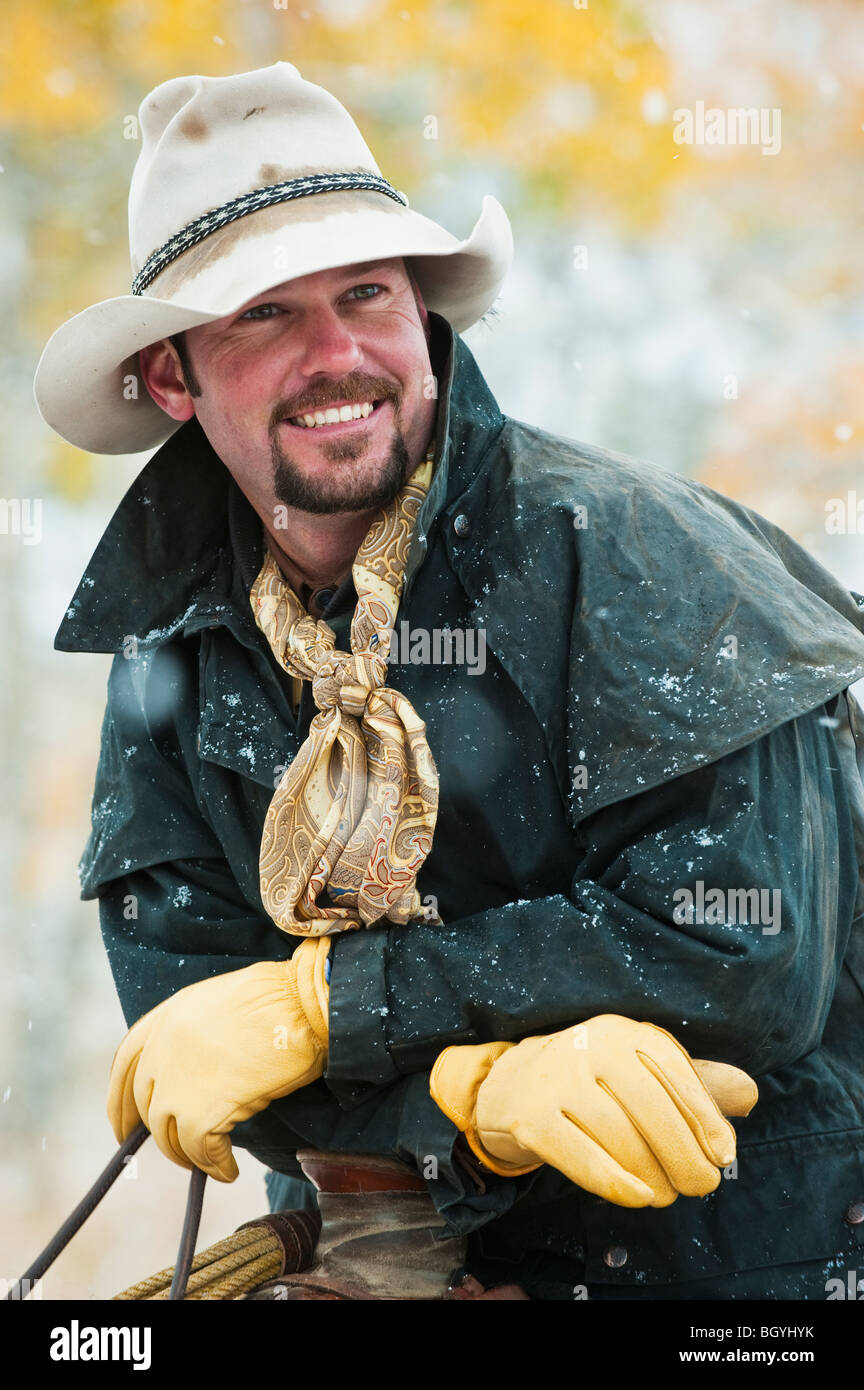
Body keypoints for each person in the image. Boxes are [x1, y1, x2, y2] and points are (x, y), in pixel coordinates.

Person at [36, 62, 864, 1300]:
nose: (335, 353)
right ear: (170, 379)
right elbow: (202, 1035)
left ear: (422, 314)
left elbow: (743, 951)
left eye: (365, 292)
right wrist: (469, 1100)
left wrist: (329, 1006)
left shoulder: (648, 559)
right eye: (262, 312)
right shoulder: (171, 650)